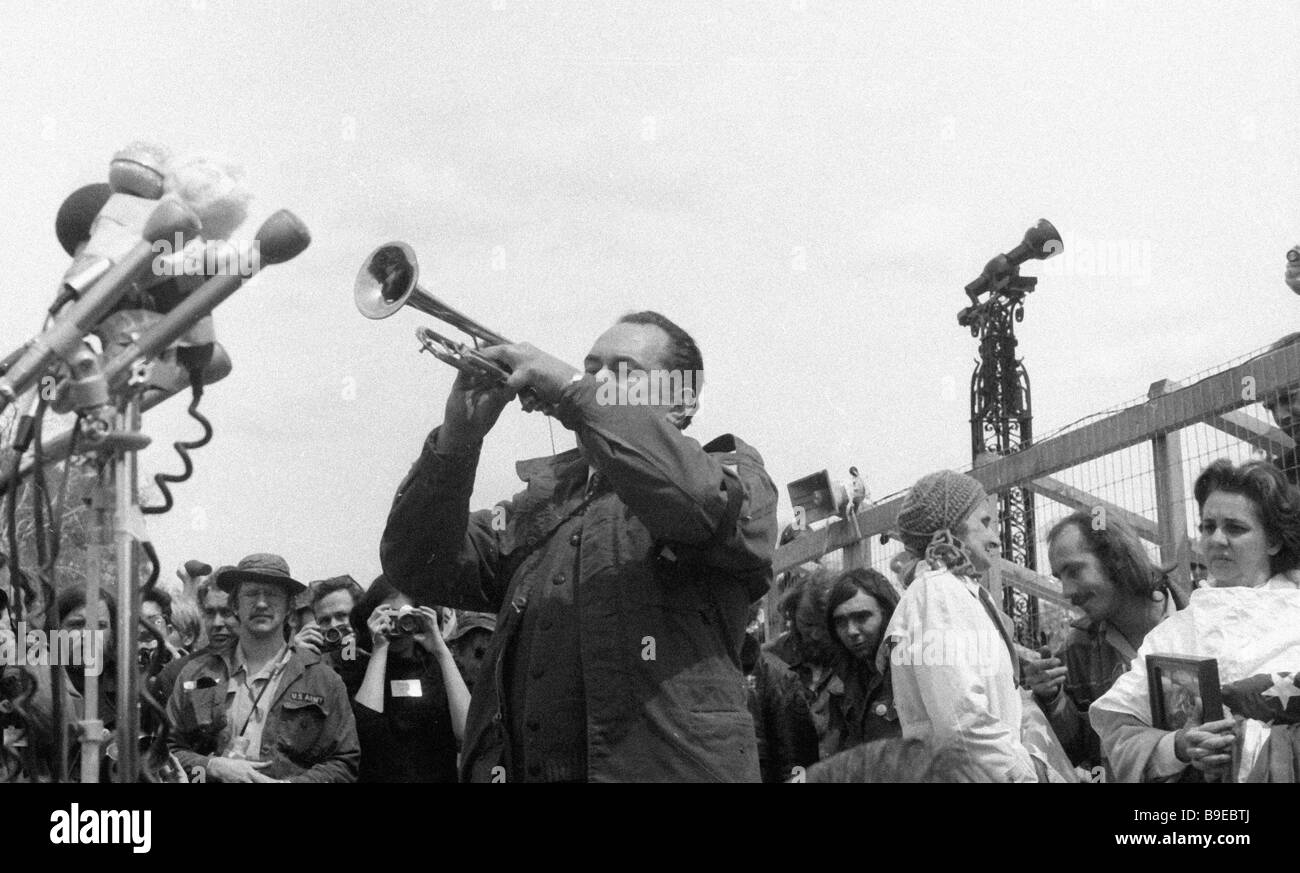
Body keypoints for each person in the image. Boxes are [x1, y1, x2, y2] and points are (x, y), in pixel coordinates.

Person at [381, 310, 777, 782]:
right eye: (590, 369)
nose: (596, 381)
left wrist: (574, 388)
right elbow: (417, 564)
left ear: (681, 400)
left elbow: (697, 501)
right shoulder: (537, 505)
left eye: (624, 372)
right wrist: (456, 440)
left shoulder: (730, 473)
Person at [1091, 460, 1300, 782]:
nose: (1216, 539)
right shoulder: (1173, 633)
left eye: (1235, 528)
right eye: (1207, 526)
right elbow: (1120, 732)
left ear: (1273, 540)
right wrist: (1178, 747)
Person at [884, 470, 1045, 782]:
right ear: (950, 529)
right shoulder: (938, 592)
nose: (997, 539)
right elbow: (961, 720)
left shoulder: (955, 592)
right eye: (984, 523)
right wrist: (1024, 774)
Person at [166, 553, 359, 783]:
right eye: (251, 594)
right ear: (235, 604)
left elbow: (345, 763)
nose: (261, 603)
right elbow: (166, 750)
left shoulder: (323, 679)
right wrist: (212, 767)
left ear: (289, 607)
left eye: (272, 594)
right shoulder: (196, 673)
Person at [1025, 511, 1186, 772]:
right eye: (1059, 577)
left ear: (1116, 559)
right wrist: (1053, 699)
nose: (1067, 592)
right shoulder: (1076, 650)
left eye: (1074, 571)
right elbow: (1080, 749)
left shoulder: (1198, 618)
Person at [350, 575, 469, 783]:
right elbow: (367, 736)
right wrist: (379, 648)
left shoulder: (439, 668)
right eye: (388, 616)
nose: (397, 625)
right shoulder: (360, 669)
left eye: (404, 616)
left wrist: (440, 649)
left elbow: (468, 731)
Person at [823, 568, 901, 754]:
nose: (851, 631)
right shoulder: (843, 679)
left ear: (886, 614)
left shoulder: (909, 668)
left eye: (862, 617)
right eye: (841, 621)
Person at [151, 569, 239, 705]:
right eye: (209, 612)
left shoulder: (271, 669)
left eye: (226, 612)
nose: (217, 623)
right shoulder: (176, 674)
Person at [444, 609, 496, 692]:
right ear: (458, 652)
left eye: (493, 657)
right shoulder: (446, 681)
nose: (487, 665)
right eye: (480, 654)